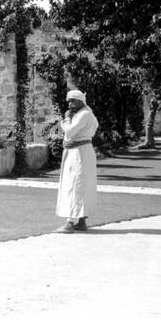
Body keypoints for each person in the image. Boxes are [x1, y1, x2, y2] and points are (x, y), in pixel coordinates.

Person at [55, 88, 98, 232]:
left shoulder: (84, 114)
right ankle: (81, 221)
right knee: (81, 186)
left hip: (79, 154)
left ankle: (70, 223)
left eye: (73, 101)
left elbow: (70, 131)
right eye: (68, 101)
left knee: (75, 186)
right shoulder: (88, 114)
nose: (70, 104)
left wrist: (66, 118)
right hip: (81, 152)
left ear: (81, 101)